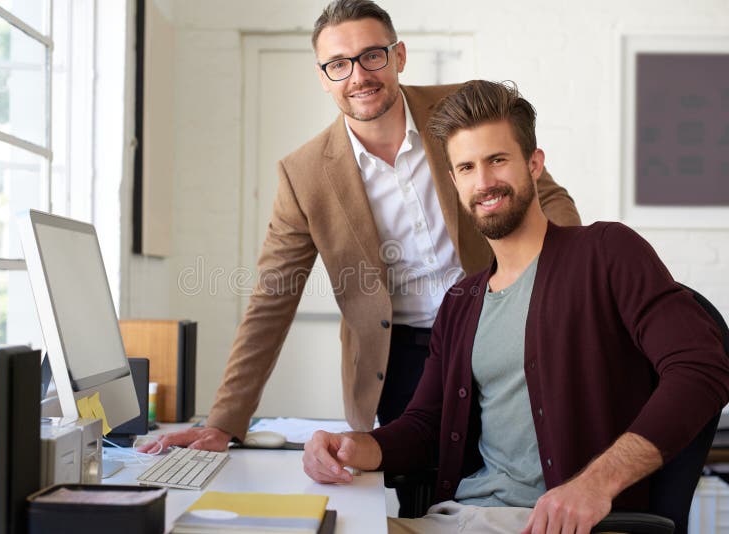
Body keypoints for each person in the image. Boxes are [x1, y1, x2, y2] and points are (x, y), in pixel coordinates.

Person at [139, 0, 579, 454]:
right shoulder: (304, 174)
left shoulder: (461, 108)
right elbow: (273, 297)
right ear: (322, 76)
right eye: (337, 64)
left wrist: (560, 283)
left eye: (372, 55)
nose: (358, 76)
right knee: (416, 498)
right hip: (400, 359)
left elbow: (547, 196)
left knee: (522, 470)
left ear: (399, 56)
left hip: (496, 326)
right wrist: (225, 421)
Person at [301, 79, 729, 533]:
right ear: (453, 182)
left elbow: (702, 367)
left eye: (497, 160)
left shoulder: (605, 253)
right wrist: (351, 446)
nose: (483, 182)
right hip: (455, 519)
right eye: (466, 167)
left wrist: (595, 485)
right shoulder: (461, 302)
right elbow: (425, 425)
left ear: (534, 164)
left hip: (549, 524)